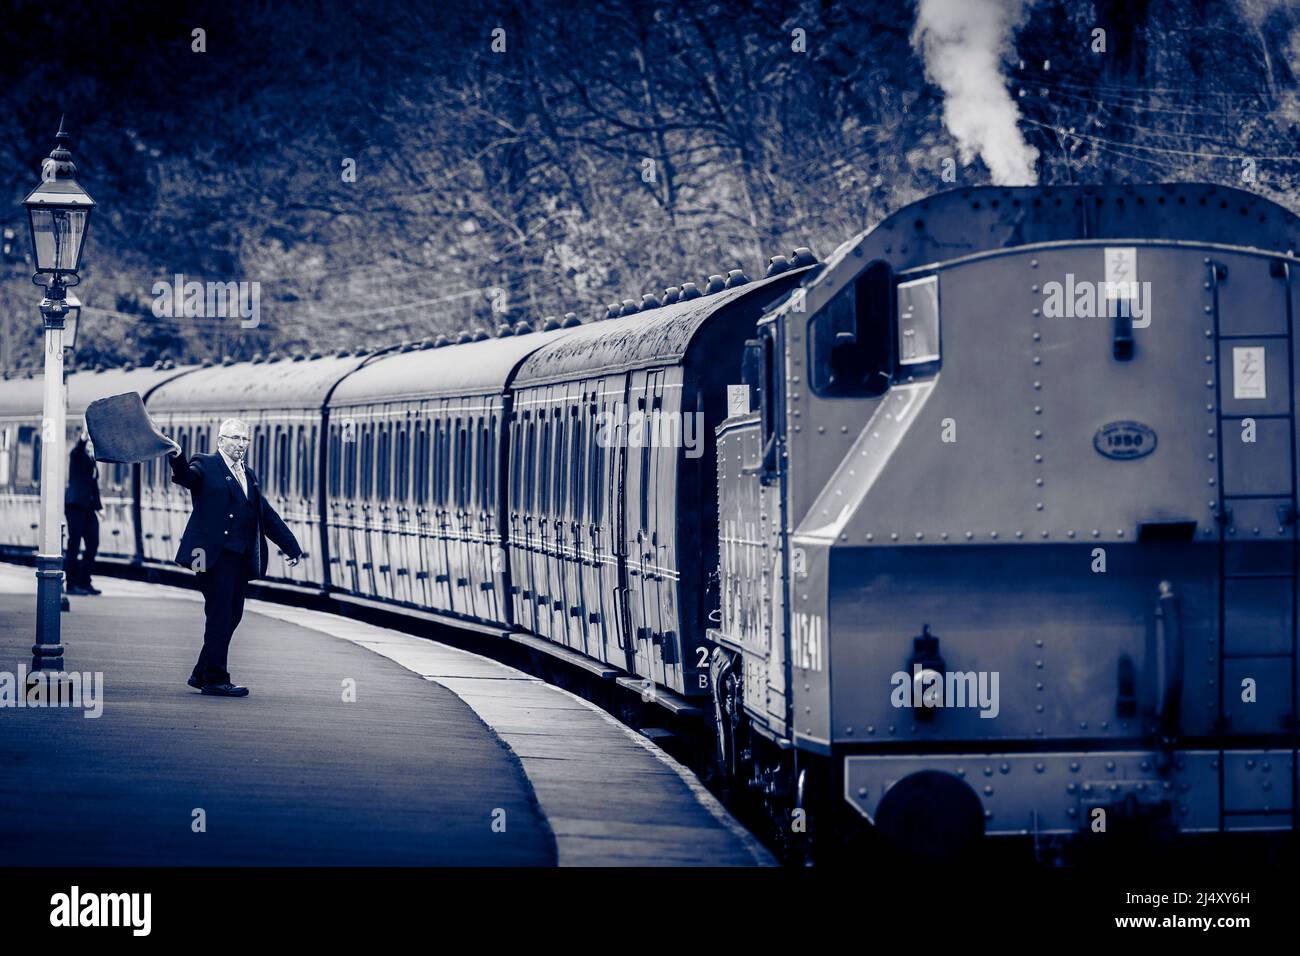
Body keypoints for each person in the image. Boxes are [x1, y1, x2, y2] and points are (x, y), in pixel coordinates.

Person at [165, 418, 302, 697]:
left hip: (240, 558)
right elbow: (185, 478)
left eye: (245, 440)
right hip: (210, 556)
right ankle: (216, 678)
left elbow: (264, 514)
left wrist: (290, 546)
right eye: (235, 439)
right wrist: (177, 457)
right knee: (219, 615)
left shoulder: (248, 475)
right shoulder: (205, 464)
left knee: (232, 615)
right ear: (221, 441)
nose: (240, 445)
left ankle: (201, 673)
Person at [64, 429, 102, 596]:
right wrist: (82, 438)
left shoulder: (92, 460)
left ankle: (84, 581)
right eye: (90, 443)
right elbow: (77, 449)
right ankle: (71, 585)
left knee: (93, 543)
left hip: (88, 507)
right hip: (75, 506)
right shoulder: (77, 455)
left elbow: (93, 485)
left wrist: (100, 507)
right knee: (74, 545)